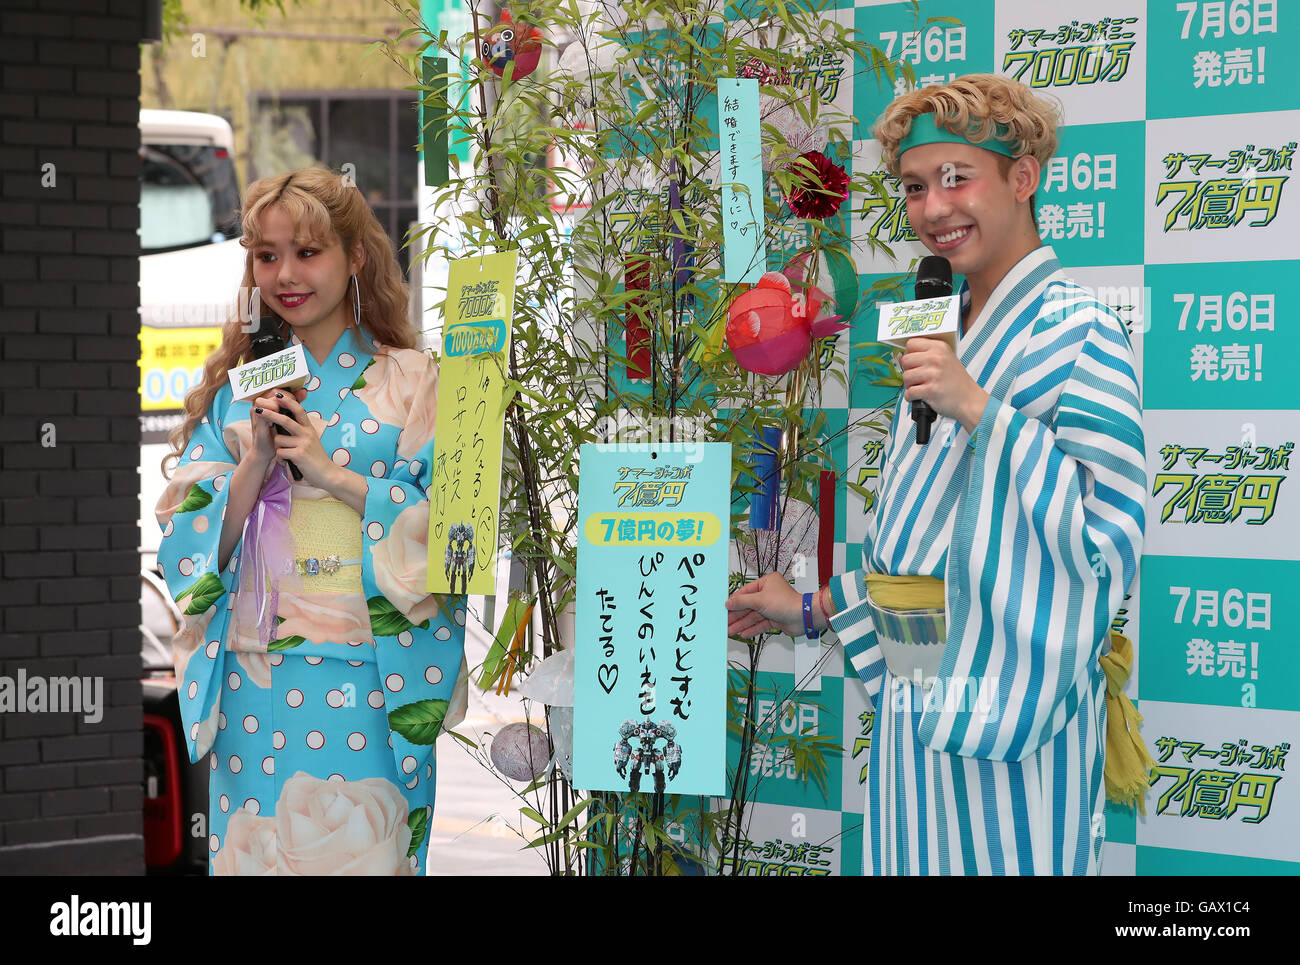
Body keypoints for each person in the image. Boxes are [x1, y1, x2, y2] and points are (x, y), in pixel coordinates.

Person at [725, 75, 1146, 875]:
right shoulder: (949, 330)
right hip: (920, 721)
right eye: (917, 188)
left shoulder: (1080, 329)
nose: (934, 209)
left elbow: (1105, 537)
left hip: (1016, 727)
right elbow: (922, 546)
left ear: (1022, 176)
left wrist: (983, 411)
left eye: (958, 178)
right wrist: (807, 607)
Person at [156, 167, 467, 875]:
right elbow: (185, 539)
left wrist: (332, 476)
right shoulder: (240, 391)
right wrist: (251, 468)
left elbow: (459, 541)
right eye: (267, 256)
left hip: (370, 680)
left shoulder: (416, 380)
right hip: (255, 679)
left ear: (355, 256)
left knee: (358, 846)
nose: (286, 274)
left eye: (307, 252)